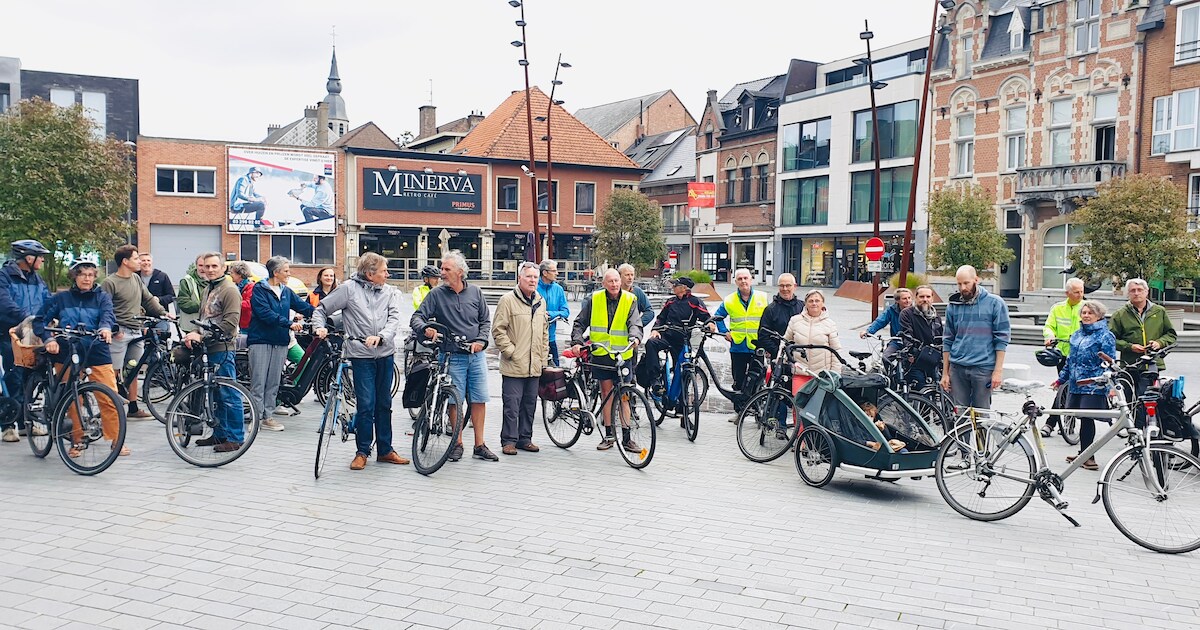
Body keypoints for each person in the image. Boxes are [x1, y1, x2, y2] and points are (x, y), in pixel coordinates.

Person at [314, 252, 408, 469]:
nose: (387, 274)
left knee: (384, 404)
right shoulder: (348, 289)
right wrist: (318, 326)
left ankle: (385, 450)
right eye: (384, 271)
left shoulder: (389, 292)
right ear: (370, 274)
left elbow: (394, 319)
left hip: (385, 354)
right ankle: (362, 451)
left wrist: (382, 336)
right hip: (360, 355)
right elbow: (322, 309)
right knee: (366, 405)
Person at [35, 260, 127, 456]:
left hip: (96, 349)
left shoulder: (102, 297)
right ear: (74, 277)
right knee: (71, 398)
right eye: (82, 274)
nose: (87, 278)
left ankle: (116, 440)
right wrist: (48, 338)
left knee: (109, 397)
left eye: (91, 275)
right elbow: (40, 320)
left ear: (95, 278)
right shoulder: (61, 298)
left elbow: (108, 316)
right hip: (67, 350)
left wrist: (105, 329)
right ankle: (76, 441)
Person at [411, 250, 496, 462]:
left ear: (460, 272)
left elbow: (485, 321)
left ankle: (480, 444)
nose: (442, 273)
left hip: (475, 355)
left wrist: (481, 341)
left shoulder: (475, 293)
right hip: (451, 355)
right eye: (441, 268)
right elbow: (417, 317)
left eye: (446, 269)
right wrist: (426, 328)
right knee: (453, 400)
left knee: (479, 399)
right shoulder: (436, 294)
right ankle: (456, 443)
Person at [570, 268, 643, 451]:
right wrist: (577, 342)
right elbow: (580, 322)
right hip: (602, 354)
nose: (615, 284)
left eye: (617, 281)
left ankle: (626, 438)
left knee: (625, 395)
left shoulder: (629, 299)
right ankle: (609, 435)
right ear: (604, 283)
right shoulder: (594, 300)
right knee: (606, 392)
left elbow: (635, 323)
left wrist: (635, 338)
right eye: (610, 281)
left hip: (623, 354)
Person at [182, 252, 244, 452]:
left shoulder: (229, 290)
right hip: (209, 348)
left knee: (228, 393)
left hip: (223, 348)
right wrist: (194, 332)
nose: (209, 270)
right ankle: (220, 435)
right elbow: (205, 318)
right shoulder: (210, 288)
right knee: (216, 395)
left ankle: (235, 437)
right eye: (206, 266)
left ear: (223, 268)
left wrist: (202, 337)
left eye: (214, 266)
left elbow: (229, 323)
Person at [101, 245, 169, 420]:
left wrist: (163, 313)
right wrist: (113, 328)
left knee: (133, 369)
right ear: (125, 261)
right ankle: (110, 410)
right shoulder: (110, 282)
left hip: (136, 331)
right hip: (119, 333)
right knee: (112, 372)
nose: (140, 262)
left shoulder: (136, 280)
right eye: (136, 258)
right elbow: (104, 308)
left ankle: (133, 408)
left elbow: (148, 300)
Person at [247, 256, 314, 432]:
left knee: (273, 381)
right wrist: (289, 323)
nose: (289, 274)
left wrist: (322, 313)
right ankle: (256, 417)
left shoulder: (286, 291)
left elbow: (303, 306)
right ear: (276, 272)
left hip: (280, 341)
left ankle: (268, 417)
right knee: (259, 381)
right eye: (286, 271)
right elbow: (264, 313)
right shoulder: (260, 289)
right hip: (261, 340)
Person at [492, 262, 548, 455]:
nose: (533, 280)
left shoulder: (540, 301)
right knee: (512, 405)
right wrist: (511, 352)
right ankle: (508, 440)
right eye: (529, 277)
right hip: (514, 364)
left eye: (535, 277)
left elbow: (544, 332)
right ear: (520, 278)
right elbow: (498, 330)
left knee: (530, 404)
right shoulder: (507, 300)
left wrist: (543, 357)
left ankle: (525, 438)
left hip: (534, 364)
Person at [0, 239, 51, 443]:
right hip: (9, 333)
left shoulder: (37, 280)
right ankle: (8, 425)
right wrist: (26, 317)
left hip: (33, 334)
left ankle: (25, 423)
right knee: (14, 376)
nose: (42, 261)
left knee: (32, 376)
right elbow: (4, 303)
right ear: (28, 258)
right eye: (40, 257)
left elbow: (48, 301)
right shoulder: (4, 277)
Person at [940, 265, 1011, 410]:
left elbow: (1002, 339)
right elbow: (948, 339)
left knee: (982, 415)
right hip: (958, 367)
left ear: (976, 280)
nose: (963, 288)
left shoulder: (995, 303)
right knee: (960, 416)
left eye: (966, 283)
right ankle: (963, 434)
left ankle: (982, 434)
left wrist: (998, 371)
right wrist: (945, 373)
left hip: (983, 368)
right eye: (959, 284)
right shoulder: (953, 305)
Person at [1058, 300, 1116, 471]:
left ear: (1099, 316)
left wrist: (1112, 385)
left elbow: (1110, 362)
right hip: (1076, 384)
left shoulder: (1105, 336)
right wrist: (1061, 379)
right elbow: (1070, 361)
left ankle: (1088, 457)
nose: (1086, 315)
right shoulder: (1076, 335)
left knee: (1087, 419)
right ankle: (1084, 452)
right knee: (1081, 417)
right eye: (1084, 312)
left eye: (1090, 313)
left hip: (1093, 385)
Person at [640, 276, 711, 412]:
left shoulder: (694, 301)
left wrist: (710, 324)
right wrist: (655, 330)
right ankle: (655, 381)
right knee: (651, 343)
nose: (672, 288)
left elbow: (705, 316)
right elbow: (660, 318)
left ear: (684, 288)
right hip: (667, 337)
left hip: (682, 341)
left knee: (684, 372)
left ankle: (683, 412)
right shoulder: (670, 302)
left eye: (675, 285)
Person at [1109, 278, 1177, 392]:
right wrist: (1129, 347)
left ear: (1147, 292)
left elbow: (1171, 335)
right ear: (1128, 293)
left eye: (1140, 290)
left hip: (1152, 365)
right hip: (1129, 365)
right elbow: (1111, 339)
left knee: (1148, 401)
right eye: (1133, 290)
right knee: (1131, 401)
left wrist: (1159, 343)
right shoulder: (1120, 315)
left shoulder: (1159, 311)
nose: (1136, 293)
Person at [1040, 278, 1085, 436]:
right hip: (1063, 355)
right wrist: (1049, 337)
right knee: (1065, 388)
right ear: (1067, 293)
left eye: (1082, 291)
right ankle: (1064, 422)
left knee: (1069, 388)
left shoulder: (1086, 308)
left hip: (1081, 355)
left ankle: (1052, 423)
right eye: (1076, 292)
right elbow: (1049, 326)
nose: (1080, 295)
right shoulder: (1058, 308)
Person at [714, 267, 769, 394]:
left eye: (746, 278)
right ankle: (739, 406)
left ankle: (755, 404)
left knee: (757, 377)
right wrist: (724, 331)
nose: (743, 281)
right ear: (736, 282)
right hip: (738, 345)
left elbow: (770, 320)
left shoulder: (762, 297)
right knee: (738, 378)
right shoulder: (729, 300)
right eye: (740, 279)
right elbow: (718, 317)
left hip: (757, 344)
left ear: (751, 280)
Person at [784, 289, 842, 373]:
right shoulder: (795, 321)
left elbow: (836, 349)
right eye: (810, 301)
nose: (814, 303)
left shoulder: (830, 324)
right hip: (800, 372)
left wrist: (835, 373)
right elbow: (785, 343)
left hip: (822, 375)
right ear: (806, 304)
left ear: (822, 303)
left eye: (817, 301)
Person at [899, 284, 944, 385]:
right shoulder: (907, 314)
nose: (925, 299)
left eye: (928, 297)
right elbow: (907, 335)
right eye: (922, 296)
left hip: (933, 359)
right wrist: (911, 351)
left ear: (932, 299)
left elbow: (941, 337)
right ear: (916, 298)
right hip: (916, 360)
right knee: (920, 385)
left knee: (938, 387)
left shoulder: (936, 317)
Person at [861, 288, 913, 361]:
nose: (908, 301)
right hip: (896, 341)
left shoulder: (915, 311)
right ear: (897, 301)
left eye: (909, 298)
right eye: (904, 299)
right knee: (886, 358)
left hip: (912, 343)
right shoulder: (891, 310)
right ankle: (889, 372)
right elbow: (880, 321)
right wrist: (868, 332)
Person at [538, 259, 570, 366]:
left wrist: (551, 314)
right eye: (554, 271)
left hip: (551, 337)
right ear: (545, 273)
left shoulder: (558, 289)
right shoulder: (534, 287)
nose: (557, 273)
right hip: (534, 339)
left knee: (556, 371)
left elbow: (565, 312)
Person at [137, 253, 175, 326]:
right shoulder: (135, 277)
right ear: (139, 262)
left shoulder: (162, 276)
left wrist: (159, 299)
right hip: (140, 318)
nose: (146, 263)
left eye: (148, 260)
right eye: (143, 260)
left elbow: (171, 296)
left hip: (160, 317)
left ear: (152, 262)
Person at [618, 263, 655, 328]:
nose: (630, 278)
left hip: (632, 333)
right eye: (627, 275)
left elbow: (649, 312)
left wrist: (638, 324)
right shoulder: (612, 291)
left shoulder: (638, 292)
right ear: (619, 276)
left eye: (632, 275)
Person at [176, 256, 206, 333]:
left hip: (209, 327)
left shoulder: (215, 281)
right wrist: (204, 306)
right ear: (196, 266)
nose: (203, 268)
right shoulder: (186, 281)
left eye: (206, 266)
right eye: (200, 265)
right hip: (191, 328)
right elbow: (183, 303)